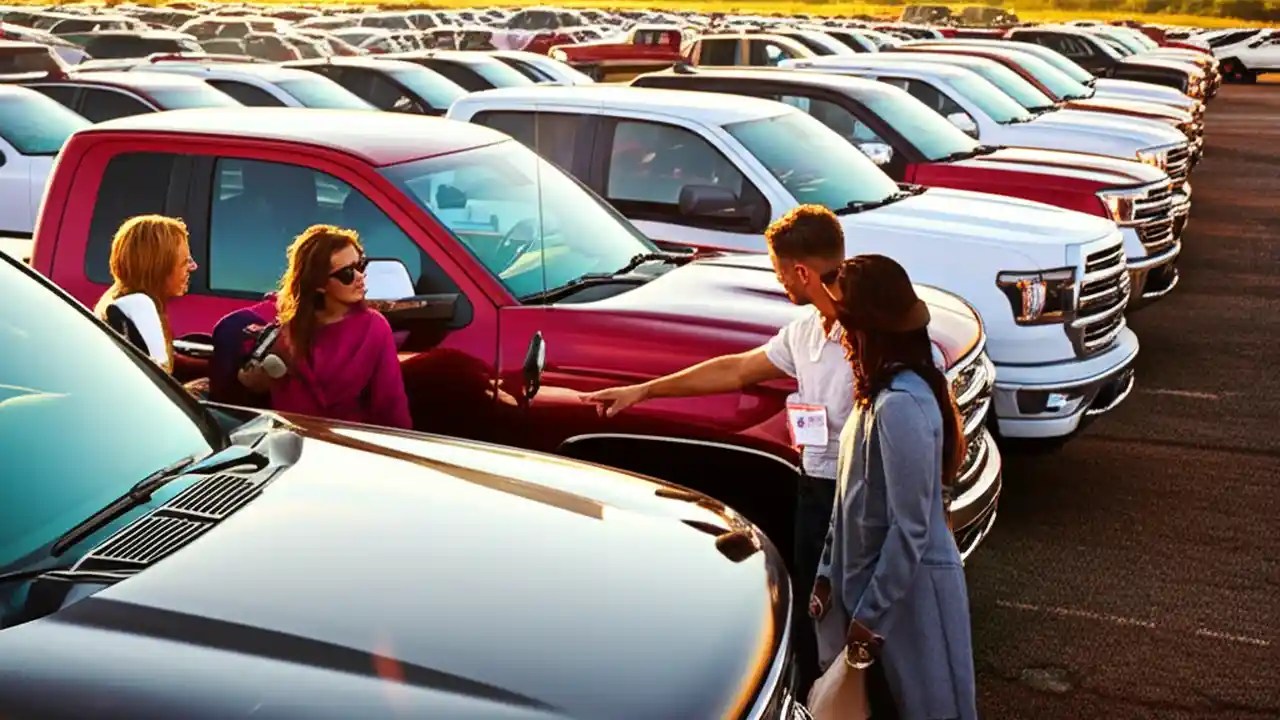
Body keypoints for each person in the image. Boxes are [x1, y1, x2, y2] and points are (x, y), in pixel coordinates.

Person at [580, 204, 850, 692]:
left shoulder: (871, 332)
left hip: (857, 493)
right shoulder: (806, 331)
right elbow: (737, 369)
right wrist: (644, 390)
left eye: (781, 273)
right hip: (815, 489)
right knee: (816, 607)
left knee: (853, 613)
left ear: (802, 272)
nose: (779, 282)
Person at [809, 255, 977, 720]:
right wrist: (827, 577)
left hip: (909, 602)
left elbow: (911, 527)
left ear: (867, 328)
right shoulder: (877, 395)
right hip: (875, 599)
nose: (841, 334)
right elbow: (849, 506)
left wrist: (869, 619)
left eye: (846, 322)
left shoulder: (901, 405)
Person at [237, 224, 413, 430]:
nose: (359, 277)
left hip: (353, 447)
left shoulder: (374, 328)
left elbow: (391, 407)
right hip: (294, 444)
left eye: (361, 266)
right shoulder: (289, 329)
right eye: (347, 273)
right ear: (319, 284)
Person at [93, 214, 197, 375]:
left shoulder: (115, 300)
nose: (193, 267)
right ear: (160, 268)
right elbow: (158, 380)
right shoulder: (140, 305)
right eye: (185, 262)